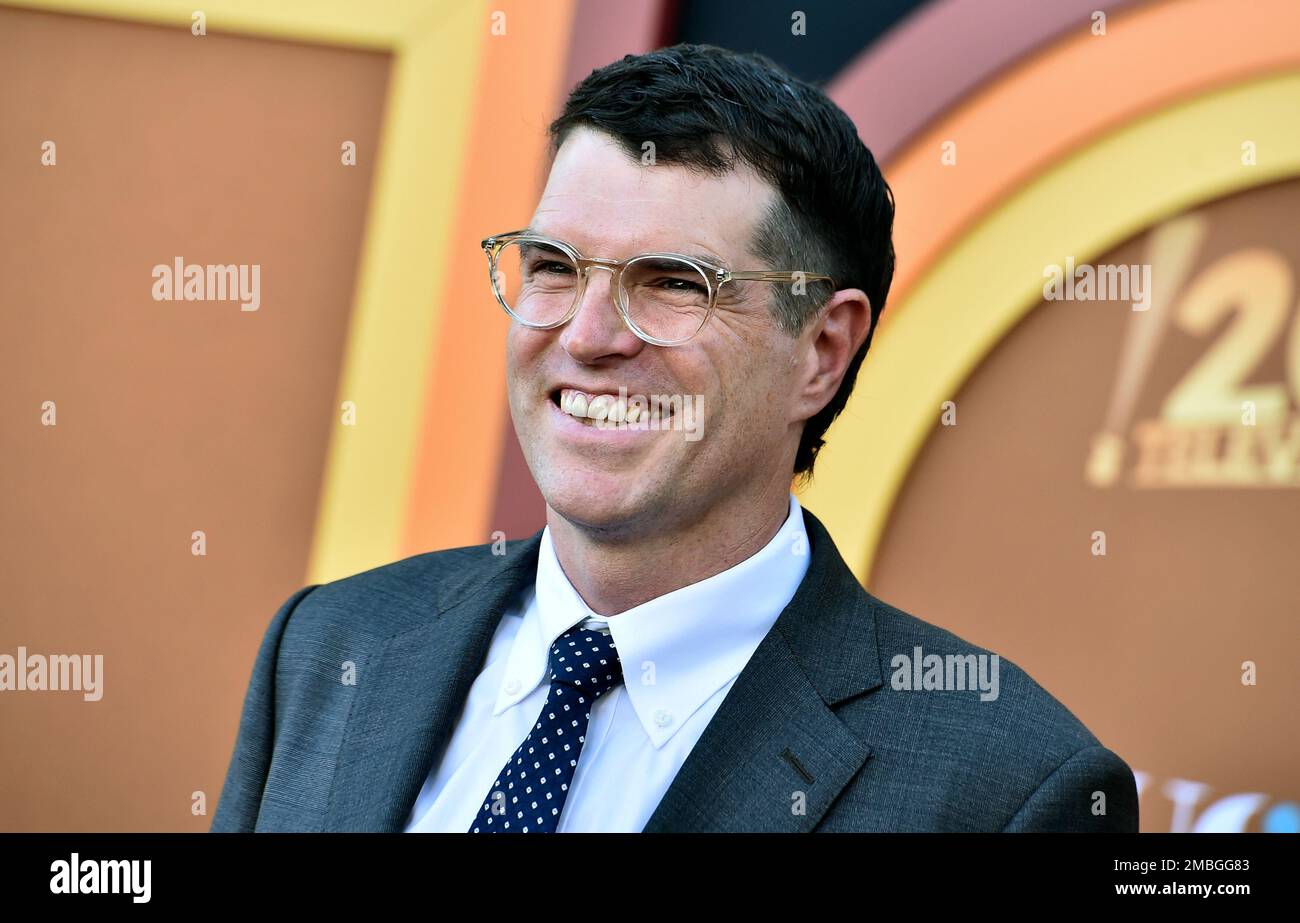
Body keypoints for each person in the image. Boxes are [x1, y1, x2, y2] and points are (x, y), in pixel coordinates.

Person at [211, 44, 1138, 833]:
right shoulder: (331, 643)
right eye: (552, 267)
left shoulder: (1007, 790)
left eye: (672, 282)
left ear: (820, 350)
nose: (585, 335)